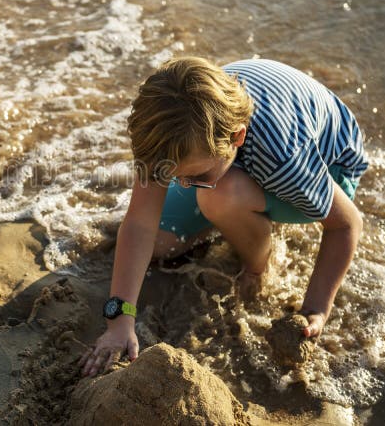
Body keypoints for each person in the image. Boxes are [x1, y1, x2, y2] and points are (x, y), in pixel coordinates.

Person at [80, 56, 368, 376]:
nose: (183, 185)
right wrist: (119, 320)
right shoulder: (164, 134)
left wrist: (316, 308)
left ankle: (258, 264)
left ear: (237, 138)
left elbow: (346, 224)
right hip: (227, 152)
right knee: (162, 244)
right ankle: (230, 214)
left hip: (329, 165)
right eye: (175, 177)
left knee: (218, 194)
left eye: (194, 175)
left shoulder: (285, 159)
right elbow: (138, 223)